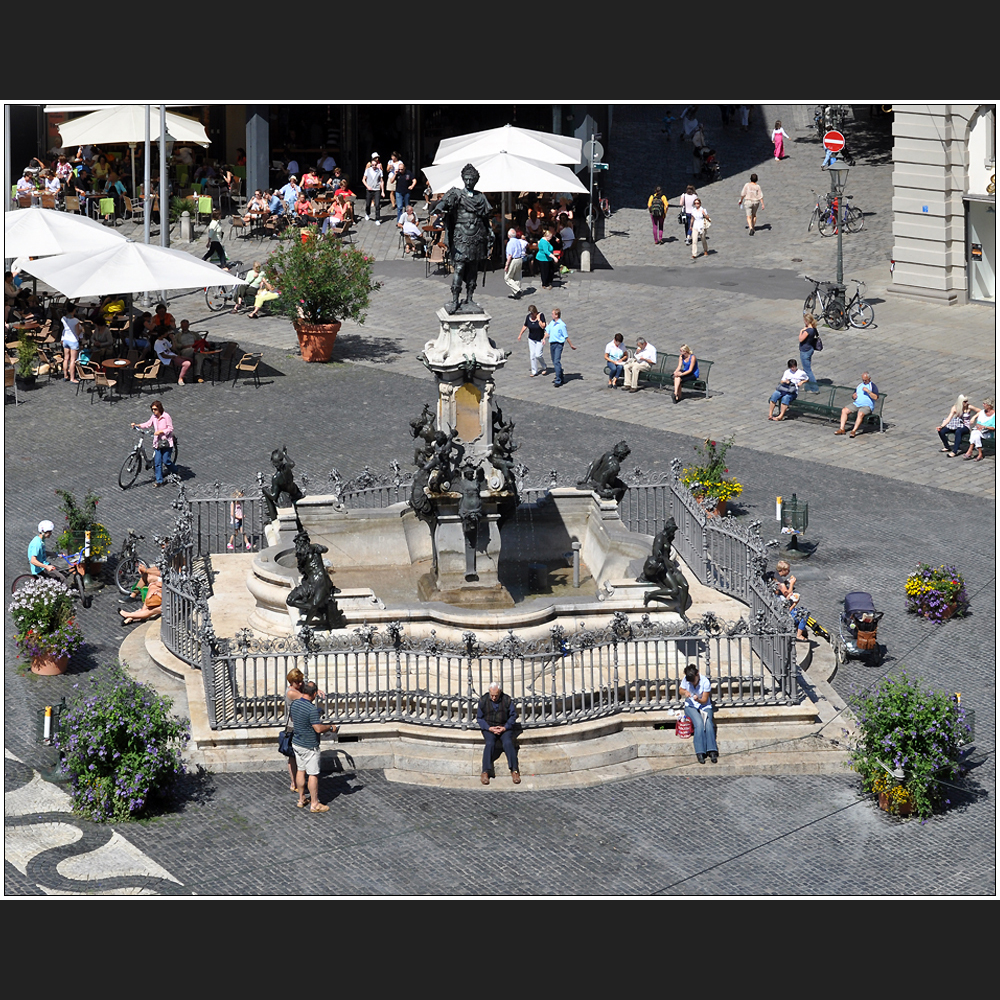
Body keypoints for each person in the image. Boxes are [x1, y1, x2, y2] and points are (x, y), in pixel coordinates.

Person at [290, 681, 337, 812]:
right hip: (309, 745)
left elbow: (294, 720)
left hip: (297, 743)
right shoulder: (311, 709)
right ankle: (315, 804)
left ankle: (301, 799)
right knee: (313, 774)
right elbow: (318, 728)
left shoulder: (295, 703)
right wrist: (330, 727)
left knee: (300, 770)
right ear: (315, 694)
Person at [477, 681, 520, 785]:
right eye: (491, 695)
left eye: (496, 695)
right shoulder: (483, 700)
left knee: (508, 743)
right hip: (490, 727)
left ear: (500, 692)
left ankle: (514, 770)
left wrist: (505, 727)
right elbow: (479, 718)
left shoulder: (507, 700)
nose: (493, 698)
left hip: (504, 727)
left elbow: (513, 716)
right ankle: (485, 771)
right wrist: (489, 728)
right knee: (490, 744)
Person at [679, 664, 718, 764]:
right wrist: (685, 692)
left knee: (708, 723)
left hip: (704, 705)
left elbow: (705, 700)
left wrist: (698, 699)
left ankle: (712, 750)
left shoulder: (705, 682)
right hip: (691, 706)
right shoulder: (686, 679)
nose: (692, 683)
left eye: (693, 681)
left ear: (697, 675)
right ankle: (700, 751)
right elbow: (680, 690)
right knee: (699, 724)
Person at [131, 399, 176, 486]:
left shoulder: (166, 416)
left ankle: (175, 470)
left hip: (166, 442)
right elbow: (148, 424)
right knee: (157, 462)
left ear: (159, 408)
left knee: (166, 461)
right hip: (157, 443)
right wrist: (138, 425)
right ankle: (160, 481)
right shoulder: (154, 417)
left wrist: (161, 432)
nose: (154, 411)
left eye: (155, 409)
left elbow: (170, 428)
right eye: (152, 409)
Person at [772, 560, 809, 639]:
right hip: (783, 615)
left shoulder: (776, 577)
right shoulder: (779, 597)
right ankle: (798, 635)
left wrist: (786, 582)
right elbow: (787, 593)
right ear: (782, 570)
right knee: (804, 614)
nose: (789, 572)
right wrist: (792, 584)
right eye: (787, 570)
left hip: (781, 609)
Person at [835, 372, 879, 437]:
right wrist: (854, 396)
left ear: (869, 379)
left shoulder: (872, 386)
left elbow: (875, 397)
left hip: (867, 406)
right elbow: (854, 395)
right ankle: (842, 429)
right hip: (857, 403)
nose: (864, 381)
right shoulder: (860, 385)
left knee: (860, 413)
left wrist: (868, 391)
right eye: (863, 380)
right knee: (844, 410)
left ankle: (854, 430)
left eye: (865, 380)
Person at [547, 307, 575, 388]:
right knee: (554, 361)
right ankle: (561, 375)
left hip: (558, 344)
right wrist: (544, 338)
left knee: (556, 361)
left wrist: (571, 345)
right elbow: (547, 331)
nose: (551, 315)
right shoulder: (552, 323)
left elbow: (566, 336)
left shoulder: (561, 325)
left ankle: (558, 380)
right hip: (552, 344)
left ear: (556, 315)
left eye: (552, 314)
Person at [517, 304, 547, 377]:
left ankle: (544, 366)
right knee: (532, 356)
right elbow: (525, 325)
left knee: (538, 355)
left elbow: (543, 326)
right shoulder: (528, 317)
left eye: (532, 313)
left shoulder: (541, 315)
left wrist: (539, 319)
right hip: (531, 339)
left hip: (540, 339)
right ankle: (534, 371)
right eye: (530, 313)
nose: (531, 315)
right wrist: (520, 334)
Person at [798, 314, 821, 391]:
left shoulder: (808, 331)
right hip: (810, 349)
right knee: (806, 369)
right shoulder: (814, 329)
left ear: (807, 321)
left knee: (808, 370)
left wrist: (801, 331)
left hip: (805, 350)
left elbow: (801, 339)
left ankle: (815, 389)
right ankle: (807, 386)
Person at [61, 304, 82, 384]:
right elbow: (77, 332)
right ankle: (72, 378)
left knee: (66, 358)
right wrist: (82, 330)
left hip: (65, 339)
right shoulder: (76, 321)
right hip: (73, 341)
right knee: (73, 360)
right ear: (74, 310)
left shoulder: (63, 319)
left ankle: (65, 375)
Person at [504, 228, 527, 298]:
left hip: (513, 260)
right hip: (520, 259)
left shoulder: (510, 242)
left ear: (509, 235)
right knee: (517, 277)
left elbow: (510, 255)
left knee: (507, 278)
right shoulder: (518, 241)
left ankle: (517, 290)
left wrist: (507, 265)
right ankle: (516, 294)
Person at [363, 153, 384, 224]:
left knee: (377, 205)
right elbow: (363, 179)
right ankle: (367, 213)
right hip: (369, 189)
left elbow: (381, 181)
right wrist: (367, 186)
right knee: (368, 203)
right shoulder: (368, 170)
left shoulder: (379, 171)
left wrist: (383, 191)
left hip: (377, 189)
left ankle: (377, 218)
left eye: (375, 165)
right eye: (373, 165)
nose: (374, 166)